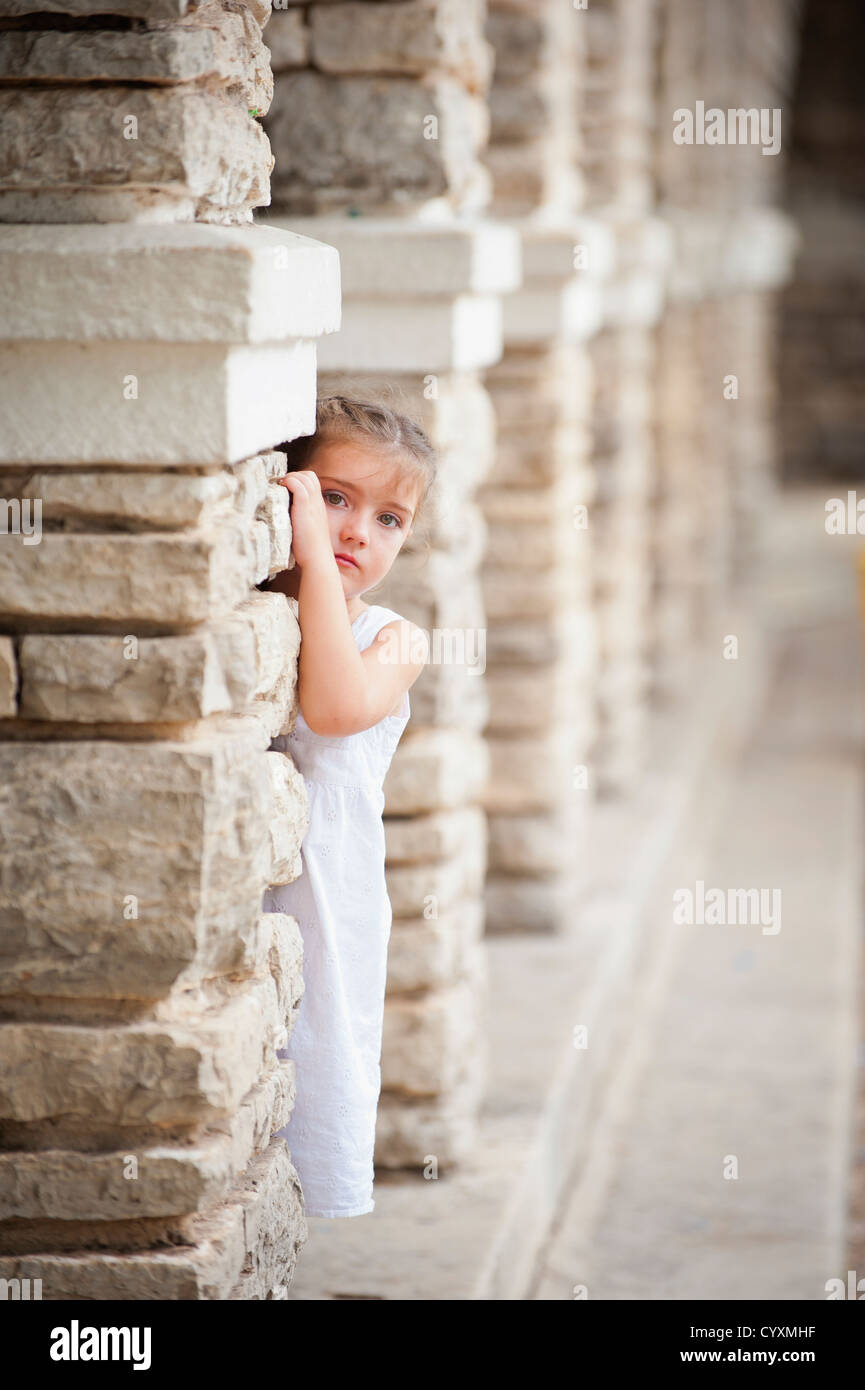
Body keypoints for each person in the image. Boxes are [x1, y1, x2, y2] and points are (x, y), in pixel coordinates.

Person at [260, 395, 435, 1218]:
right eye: (333, 498)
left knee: (316, 1064)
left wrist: (315, 559)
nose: (359, 531)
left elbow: (330, 708)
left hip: (330, 904)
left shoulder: (394, 641)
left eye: (389, 518)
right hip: (251, 899)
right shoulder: (252, 613)